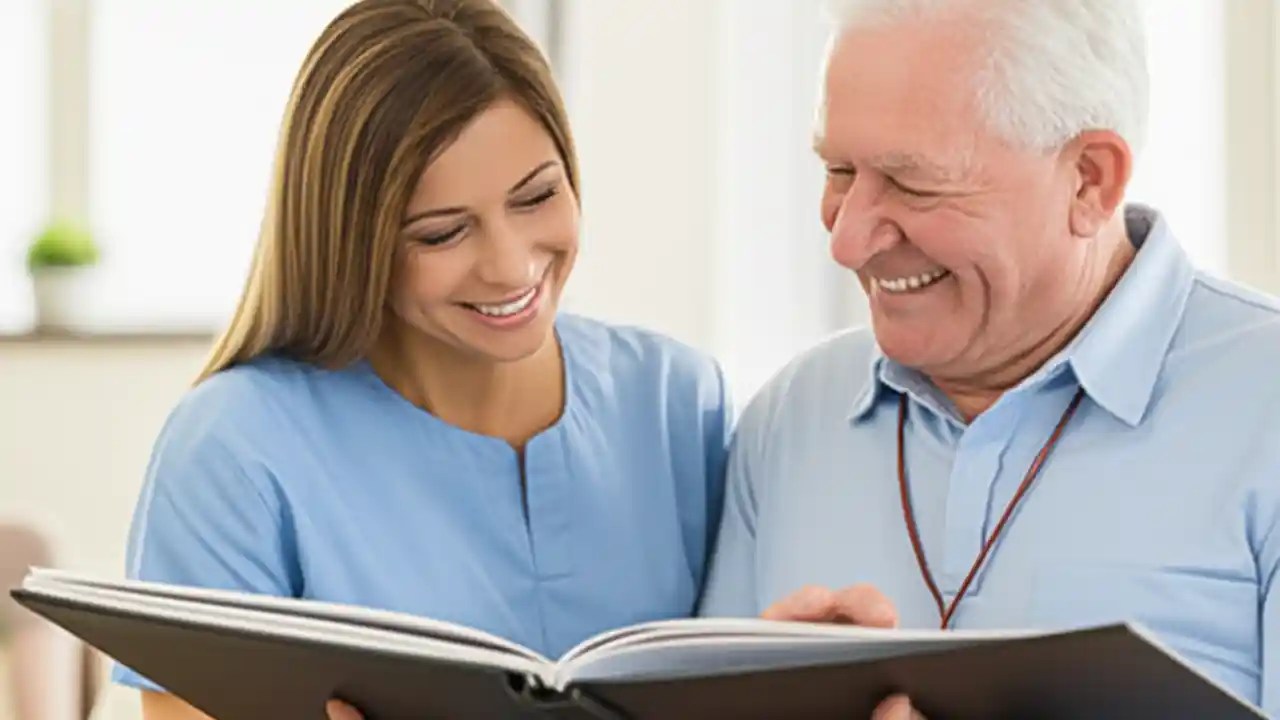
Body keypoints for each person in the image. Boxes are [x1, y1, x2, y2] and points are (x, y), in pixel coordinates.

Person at [111, 1, 732, 718]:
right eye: (441, 234)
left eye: (536, 196)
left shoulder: (677, 403)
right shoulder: (234, 450)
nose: (509, 266)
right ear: (353, 241)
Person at [698, 0, 1280, 718]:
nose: (846, 242)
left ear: (1088, 180)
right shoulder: (790, 418)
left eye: (913, 184)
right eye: (839, 170)